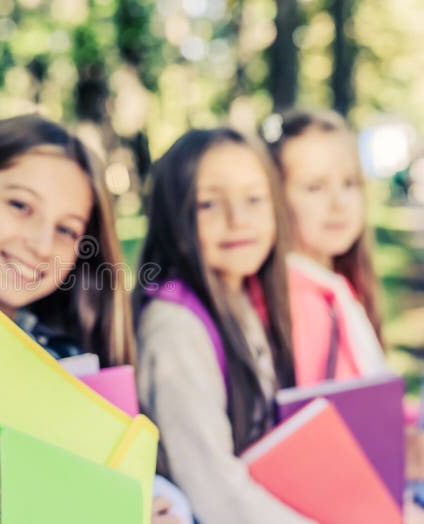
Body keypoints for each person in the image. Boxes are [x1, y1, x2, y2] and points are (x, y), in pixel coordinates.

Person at [0, 114, 189, 524]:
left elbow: (132, 471)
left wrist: (167, 508)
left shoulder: (69, 360)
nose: (42, 244)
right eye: (21, 206)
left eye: (66, 229)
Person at [134, 128, 313, 523]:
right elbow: (216, 494)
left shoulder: (245, 300)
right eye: (209, 204)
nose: (238, 219)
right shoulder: (175, 329)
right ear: (172, 214)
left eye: (254, 198)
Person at [266, 109, 386, 385]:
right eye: (315, 187)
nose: (339, 203)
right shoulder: (299, 305)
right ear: (275, 197)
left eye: (350, 183)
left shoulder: (338, 289)